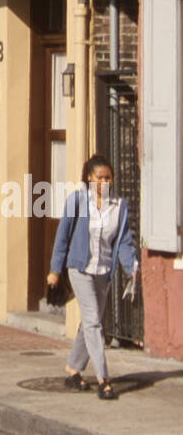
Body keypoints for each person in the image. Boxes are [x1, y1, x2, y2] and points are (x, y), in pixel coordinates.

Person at [48, 153, 138, 401]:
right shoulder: (77, 201)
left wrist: (130, 267)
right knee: (94, 324)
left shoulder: (119, 206)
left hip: (103, 271)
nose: (105, 182)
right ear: (89, 178)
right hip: (79, 268)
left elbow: (124, 242)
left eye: (108, 177)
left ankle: (73, 369)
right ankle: (103, 380)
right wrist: (55, 270)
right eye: (100, 177)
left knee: (91, 321)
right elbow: (62, 237)